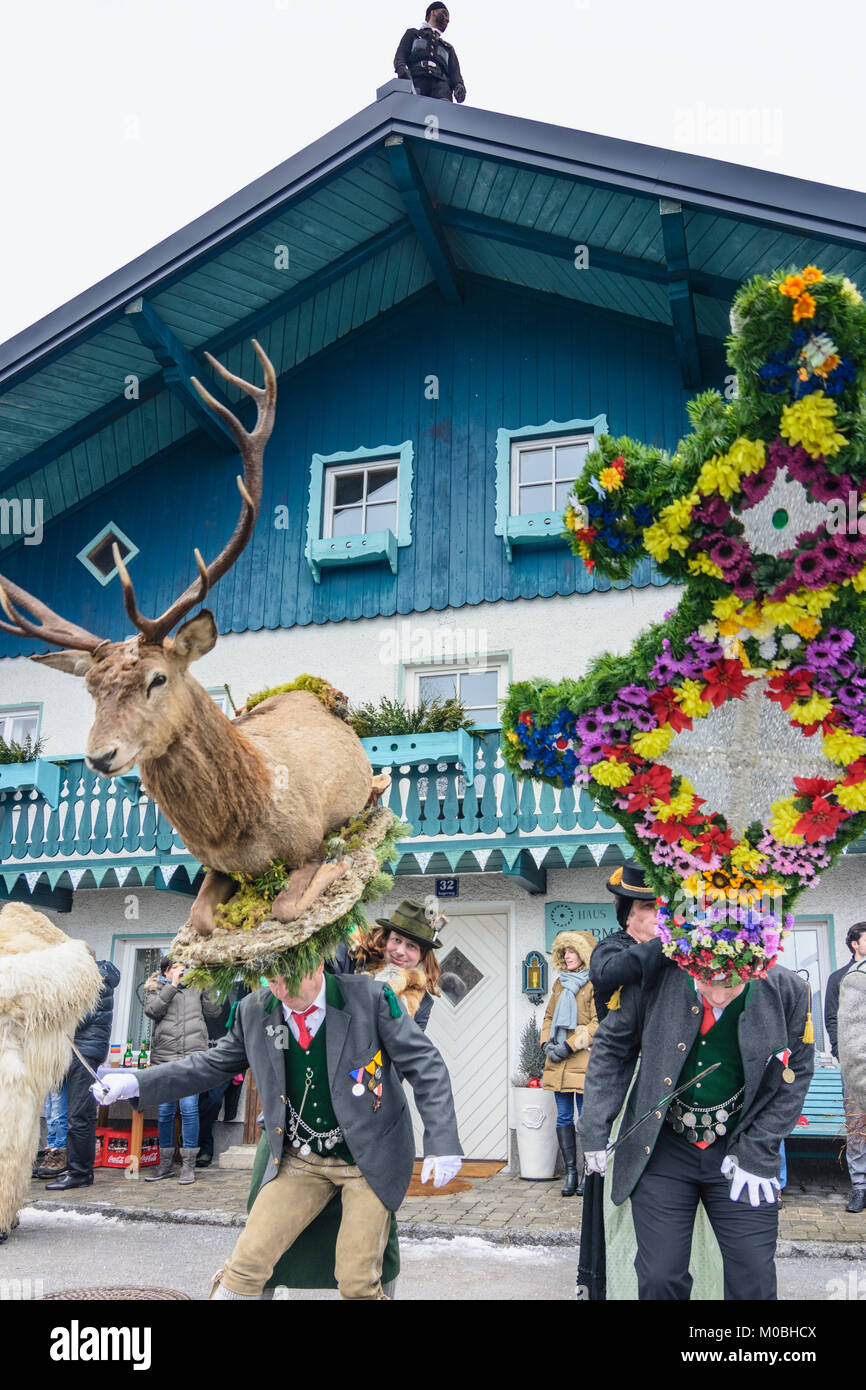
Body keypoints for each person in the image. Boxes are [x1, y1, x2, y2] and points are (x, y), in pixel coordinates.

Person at [95, 958, 462, 1300]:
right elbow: (208, 1066)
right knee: (245, 1266)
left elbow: (424, 1063)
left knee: (357, 1280)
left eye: (291, 978)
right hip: (300, 1158)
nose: (282, 991)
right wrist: (138, 1083)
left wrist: (442, 1141)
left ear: (317, 964)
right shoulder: (255, 1010)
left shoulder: (369, 997)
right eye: (273, 980)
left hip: (368, 1157)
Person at [580, 912, 814, 1300]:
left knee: (753, 1277)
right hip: (663, 1147)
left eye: (732, 984)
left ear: (757, 965)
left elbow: (797, 1074)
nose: (718, 996)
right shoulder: (654, 978)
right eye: (707, 982)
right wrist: (594, 1127)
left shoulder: (788, 991)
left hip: (743, 1146)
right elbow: (611, 1049)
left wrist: (761, 1147)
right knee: (658, 1279)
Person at [46, 945, 120, 1192]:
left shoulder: (97, 980)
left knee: (79, 1115)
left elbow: (79, 1016)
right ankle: (78, 1171)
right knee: (77, 1114)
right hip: (81, 1050)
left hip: (84, 1052)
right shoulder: (93, 978)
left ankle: (79, 1173)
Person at [142, 956, 222, 1184]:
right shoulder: (156, 988)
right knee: (166, 1112)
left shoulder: (196, 988)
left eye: (184, 968)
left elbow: (214, 1011)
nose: (182, 971)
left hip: (192, 1057)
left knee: (189, 1109)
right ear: (166, 971)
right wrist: (172, 986)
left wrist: (209, 985)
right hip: (165, 1060)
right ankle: (165, 1164)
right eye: (176, 968)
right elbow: (153, 1012)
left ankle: (188, 1165)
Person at [331, 897, 444, 1031]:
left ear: (422, 955)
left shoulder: (422, 1004)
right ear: (386, 939)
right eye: (396, 940)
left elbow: (410, 1049)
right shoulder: (352, 959)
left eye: (412, 946)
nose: (400, 951)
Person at [541, 930, 598, 1197]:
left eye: (572, 951)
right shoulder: (559, 984)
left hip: (582, 1056)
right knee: (564, 1116)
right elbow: (549, 1017)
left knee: (585, 1119)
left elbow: (598, 1023)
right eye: (564, 951)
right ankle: (571, 1172)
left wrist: (569, 1045)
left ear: (584, 954)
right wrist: (546, 1044)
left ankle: (588, 1171)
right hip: (558, 1059)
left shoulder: (595, 983)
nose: (567, 955)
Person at [589, 862, 665, 1021]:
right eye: (648, 906)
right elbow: (605, 972)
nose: (658, 912)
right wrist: (669, 945)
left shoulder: (668, 951)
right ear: (628, 916)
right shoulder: (610, 947)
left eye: (662, 905)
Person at [196, 982, 248, 1168]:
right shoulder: (196, 986)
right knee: (198, 1101)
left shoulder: (239, 989)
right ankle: (202, 1148)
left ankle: (204, 1147)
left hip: (225, 1056)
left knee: (213, 1100)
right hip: (200, 1051)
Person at [833, 926, 866, 1213]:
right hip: (854, 1068)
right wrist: (842, 1053)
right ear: (854, 943)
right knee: (856, 1132)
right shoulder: (839, 978)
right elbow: (833, 1018)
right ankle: (859, 1188)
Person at [394, 5, 467, 104]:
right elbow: (400, 56)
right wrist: (401, 69)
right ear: (433, 12)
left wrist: (459, 86)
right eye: (444, 13)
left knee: (443, 111)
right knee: (414, 108)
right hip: (417, 79)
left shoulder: (448, 48)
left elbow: (455, 73)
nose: (447, 20)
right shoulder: (413, 34)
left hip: (441, 86)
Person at [35, 1082, 69, 1179]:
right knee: (50, 1115)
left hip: (62, 1073)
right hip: (52, 1073)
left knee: (58, 1116)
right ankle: (51, 1153)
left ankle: (59, 1156)